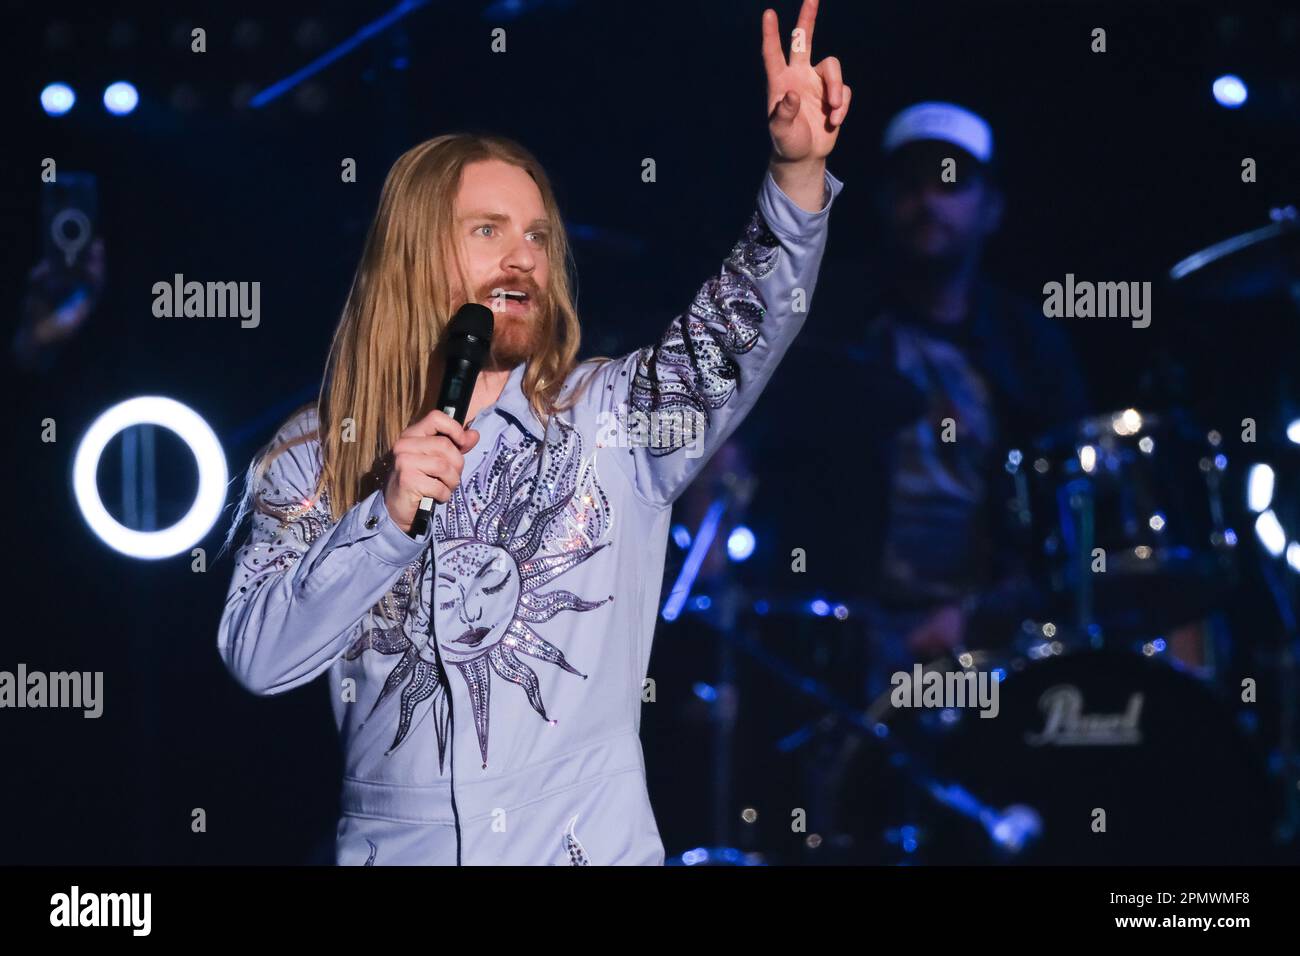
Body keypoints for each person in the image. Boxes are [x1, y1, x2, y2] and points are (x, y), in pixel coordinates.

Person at [217, 0, 849, 866]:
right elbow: (257, 657)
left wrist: (796, 176)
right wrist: (383, 522)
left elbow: (740, 322)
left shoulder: (612, 421)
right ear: (412, 252)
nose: (523, 258)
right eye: (488, 231)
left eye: (538, 238)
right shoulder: (312, 454)